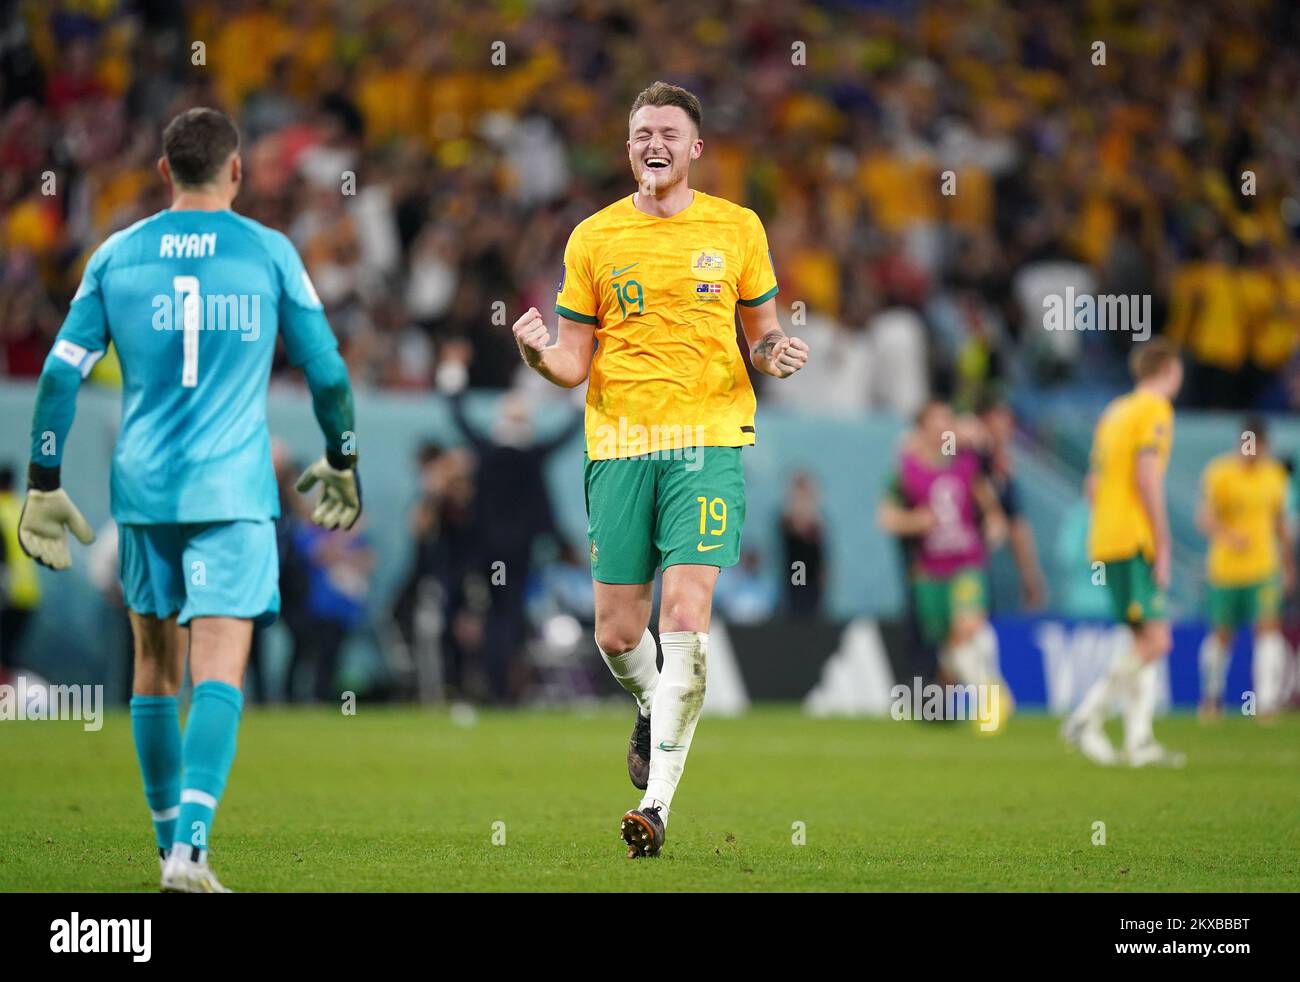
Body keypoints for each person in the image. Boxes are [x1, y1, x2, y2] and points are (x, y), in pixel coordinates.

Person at [16, 108, 360, 891]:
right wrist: (342, 456)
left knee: (153, 668)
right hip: (233, 491)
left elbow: (60, 374)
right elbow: (330, 374)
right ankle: (192, 850)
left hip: (141, 491)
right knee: (219, 670)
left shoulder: (115, 254)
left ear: (165, 172)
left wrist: (42, 481)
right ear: (236, 172)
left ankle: (167, 843)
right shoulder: (270, 252)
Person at [509, 81, 809, 858]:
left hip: (707, 442)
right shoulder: (594, 239)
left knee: (684, 619)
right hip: (618, 446)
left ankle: (657, 806)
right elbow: (573, 365)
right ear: (630, 145)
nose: (655, 144)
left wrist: (778, 356)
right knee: (616, 634)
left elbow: (763, 335)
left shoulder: (737, 228)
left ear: (694, 148)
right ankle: (652, 703)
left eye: (669, 133)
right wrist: (538, 355)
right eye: (643, 131)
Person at [1062, 339, 1184, 767]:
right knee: (1158, 639)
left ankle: (1139, 740)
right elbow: (1147, 475)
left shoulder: (1113, 413)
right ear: (1169, 369)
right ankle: (1086, 716)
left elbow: (1092, 486)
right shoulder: (1155, 410)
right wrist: (1163, 542)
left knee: (1140, 639)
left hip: (1106, 536)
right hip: (1134, 537)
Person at [877, 400, 1012, 728]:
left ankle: (990, 698)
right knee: (951, 645)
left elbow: (990, 508)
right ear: (922, 428)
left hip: (966, 563)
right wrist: (915, 521)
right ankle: (937, 705)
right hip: (929, 571)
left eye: (947, 419)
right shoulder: (906, 469)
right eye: (936, 420)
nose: (943, 426)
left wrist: (995, 524)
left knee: (968, 626)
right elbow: (886, 518)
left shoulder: (966, 465)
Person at [1196, 416, 1295, 721]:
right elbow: (1205, 518)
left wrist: (1288, 564)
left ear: (1265, 446)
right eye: (1249, 445)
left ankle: (1265, 704)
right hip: (1225, 570)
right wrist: (1229, 535)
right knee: (1222, 635)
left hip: (1263, 569)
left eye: (1259, 447)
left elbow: (1280, 523)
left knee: (1267, 631)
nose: (1253, 452)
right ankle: (1212, 699)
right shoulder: (1220, 472)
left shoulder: (1275, 475)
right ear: (1242, 443)